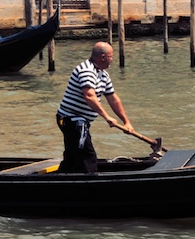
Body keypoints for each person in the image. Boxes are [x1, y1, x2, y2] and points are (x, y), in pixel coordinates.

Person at [56, 41, 145, 174]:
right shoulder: (86, 70)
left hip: (80, 120)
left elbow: (113, 99)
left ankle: (62, 176)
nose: (112, 59)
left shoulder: (103, 74)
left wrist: (126, 122)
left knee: (73, 155)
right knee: (87, 155)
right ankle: (90, 181)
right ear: (103, 57)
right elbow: (89, 96)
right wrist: (107, 117)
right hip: (71, 119)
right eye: (111, 56)